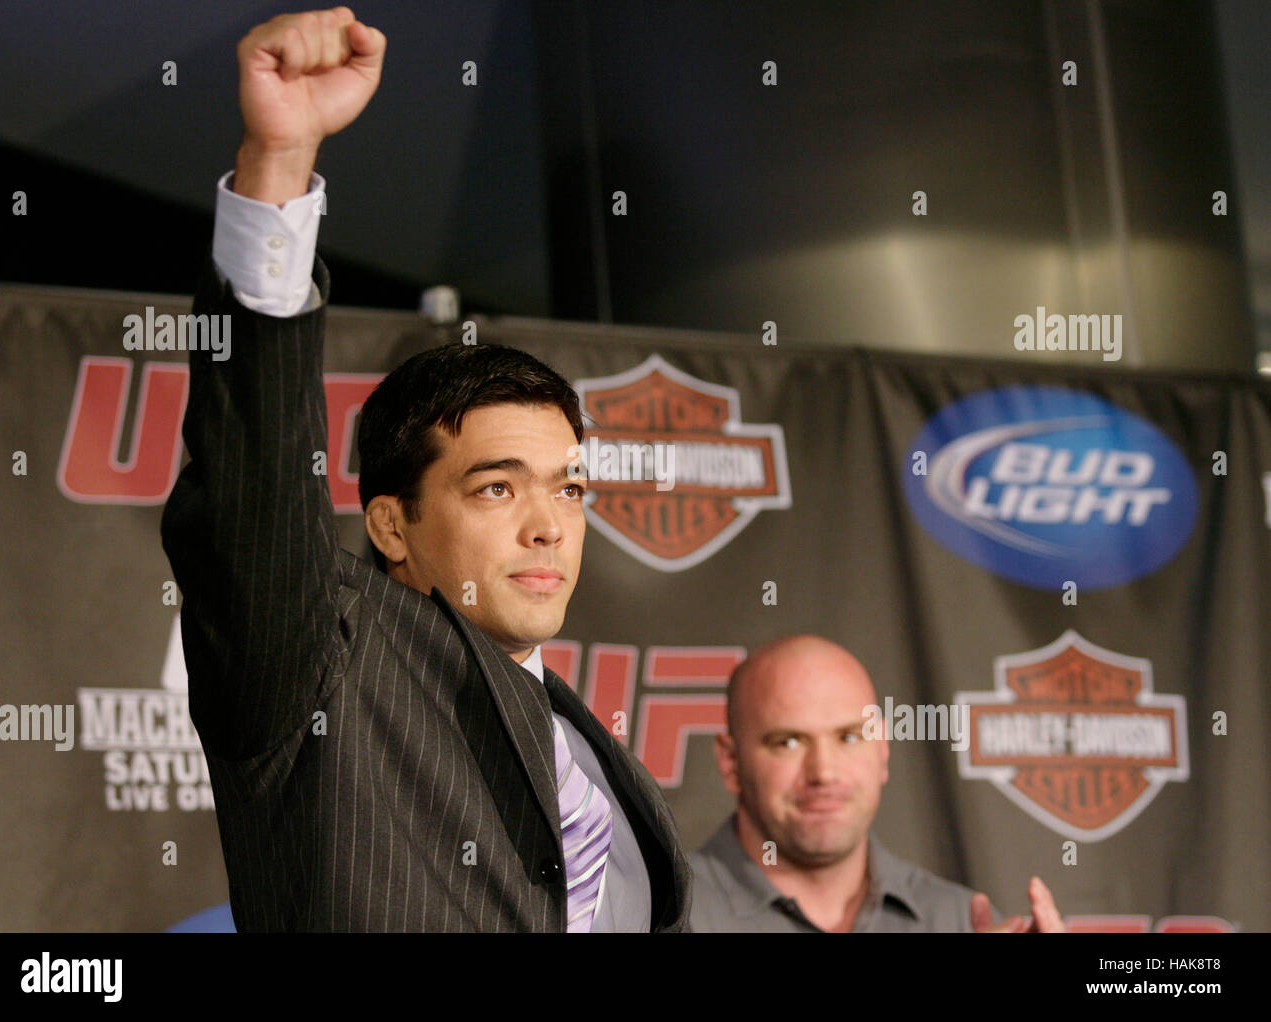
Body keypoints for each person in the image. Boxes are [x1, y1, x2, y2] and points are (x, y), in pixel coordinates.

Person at [161, 7, 689, 932]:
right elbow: (252, 481)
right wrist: (278, 167)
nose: (549, 524)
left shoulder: (583, 748)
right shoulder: (319, 666)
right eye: (496, 487)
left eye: (567, 487)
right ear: (391, 523)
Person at [688, 635, 1064, 932]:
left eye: (850, 738)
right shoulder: (660, 913)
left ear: (882, 751)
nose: (824, 773)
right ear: (730, 762)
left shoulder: (960, 921)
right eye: (788, 742)